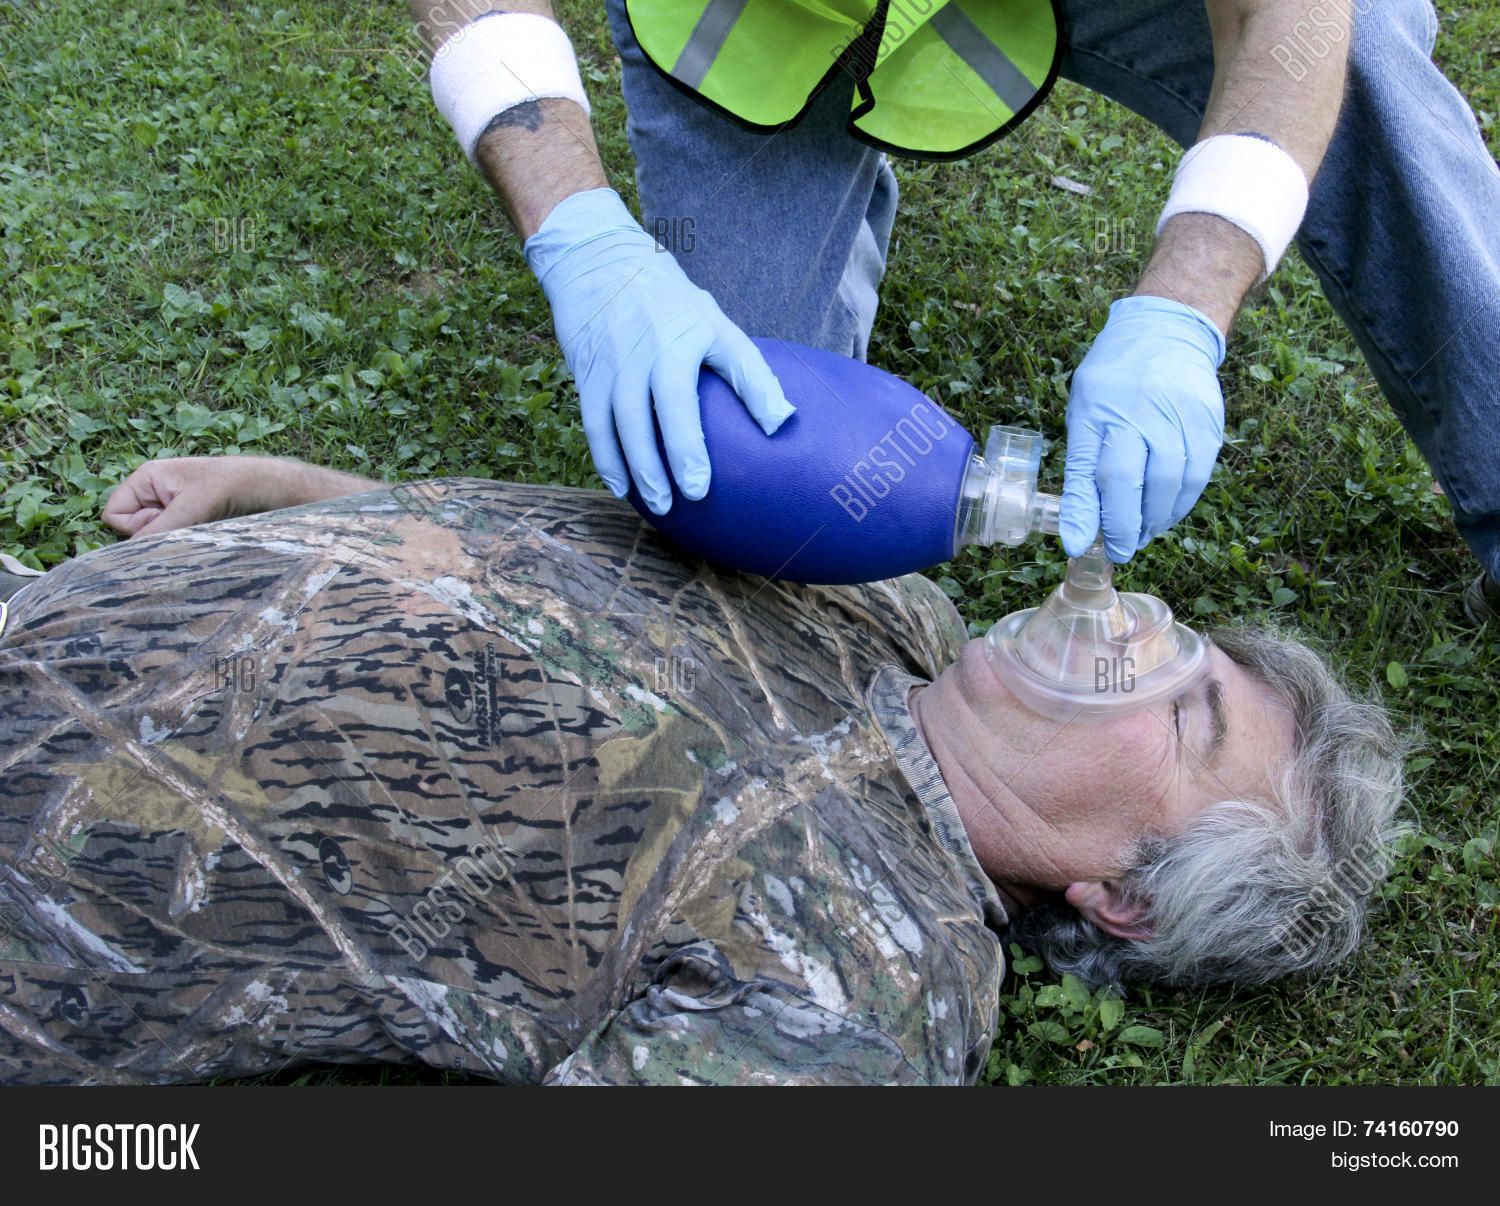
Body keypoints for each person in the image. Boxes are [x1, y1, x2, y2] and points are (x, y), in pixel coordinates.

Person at [0, 455, 1405, 1085]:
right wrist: (269, 484)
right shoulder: (882, 592)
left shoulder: (870, 985)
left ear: (1125, 896)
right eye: (1189, 640)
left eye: (1191, 715)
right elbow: (511, 544)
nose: (1141, 633)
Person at [407, 0, 1500, 623]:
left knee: (1355, 49)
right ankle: (819, 155)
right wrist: (580, 235)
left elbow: (1284, 17)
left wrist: (1188, 302)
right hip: (757, 22)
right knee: (734, 457)